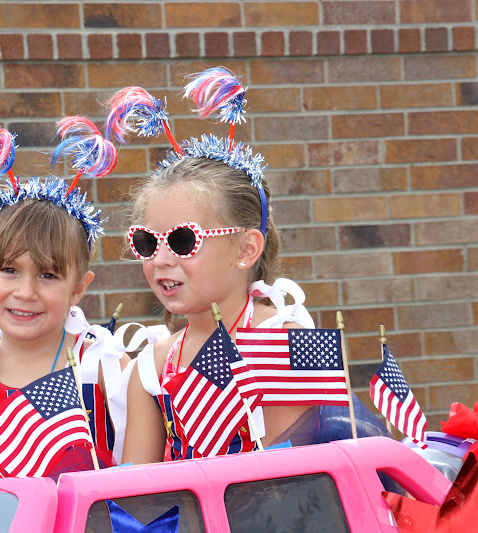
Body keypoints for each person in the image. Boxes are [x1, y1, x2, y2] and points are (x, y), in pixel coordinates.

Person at [116, 67, 388, 464]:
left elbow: (291, 485)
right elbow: (134, 493)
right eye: (146, 241)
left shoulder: (288, 342)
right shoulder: (151, 364)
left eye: (182, 240)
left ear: (246, 249)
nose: (160, 259)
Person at [0, 119, 130, 475]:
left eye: (48, 275)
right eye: (9, 270)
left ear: (79, 288)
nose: (25, 292)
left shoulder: (102, 366)